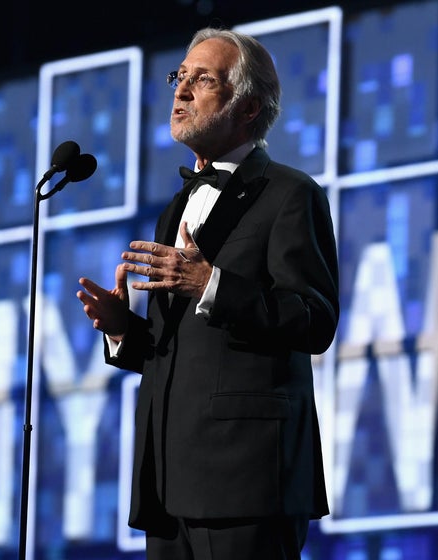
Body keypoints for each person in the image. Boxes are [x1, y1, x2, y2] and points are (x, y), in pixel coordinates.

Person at [76, 27, 339, 559]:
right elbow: (188, 352)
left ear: (248, 107)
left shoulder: (291, 195)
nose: (181, 90)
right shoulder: (174, 209)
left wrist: (211, 283)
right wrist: (124, 331)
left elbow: (314, 320)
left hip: (247, 479)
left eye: (203, 79)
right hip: (167, 483)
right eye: (180, 76)